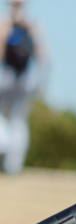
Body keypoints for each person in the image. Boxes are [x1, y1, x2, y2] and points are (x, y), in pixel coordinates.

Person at [0, 0, 47, 175]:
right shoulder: (33, 23)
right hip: (27, 77)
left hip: (8, 76)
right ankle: (13, 166)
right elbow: (42, 54)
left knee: (7, 117)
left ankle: (4, 145)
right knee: (18, 121)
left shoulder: (5, 22)